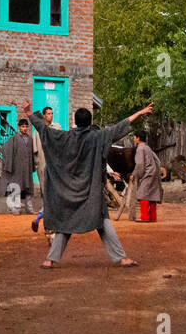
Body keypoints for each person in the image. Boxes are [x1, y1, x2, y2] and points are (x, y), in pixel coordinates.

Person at [29, 101, 153, 268]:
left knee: (66, 224)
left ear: (76, 121)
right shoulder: (97, 137)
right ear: (89, 122)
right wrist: (140, 112)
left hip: (69, 193)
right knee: (103, 222)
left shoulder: (64, 137)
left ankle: (49, 260)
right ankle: (121, 258)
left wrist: (29, 112)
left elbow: (43, 129)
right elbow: (119, 127)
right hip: (91, 193)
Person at [30, 106, 60, 234]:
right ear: (43, 116)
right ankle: (46, 222)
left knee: (53, 195)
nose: (50, 116)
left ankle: (41, 219)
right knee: (48, 195)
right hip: (43, 167)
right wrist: (36, 167)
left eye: (52, 113)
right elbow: (35, 151)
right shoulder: (37, 131)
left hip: (56, 167)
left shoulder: (57, 128)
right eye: (48, 114)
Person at [1, 119, 36, 214]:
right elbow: (5, 148)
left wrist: (32, 166)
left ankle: (29, 208)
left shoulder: (30, 139)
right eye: (22, 127)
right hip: (17, 168)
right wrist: (10, 165)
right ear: (19, 127)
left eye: (26, 127)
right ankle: (17, 208)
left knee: (28, 188)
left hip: (27, 169)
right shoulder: (14, 138)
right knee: (17, 187)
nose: (24, 129)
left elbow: (32, 155)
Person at [131, 127, 163, 222]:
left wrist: (136, 175)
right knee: (152, 195)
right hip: (154, 172)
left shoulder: (140, 149)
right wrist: (156, 172)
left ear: (137, 138)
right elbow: (157, 160)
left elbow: (140, 164)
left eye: (134, 137)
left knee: (143, 194)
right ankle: (153, 217)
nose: (134, 139)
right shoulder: (147, 147)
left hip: (147, 173)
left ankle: (145, 217)